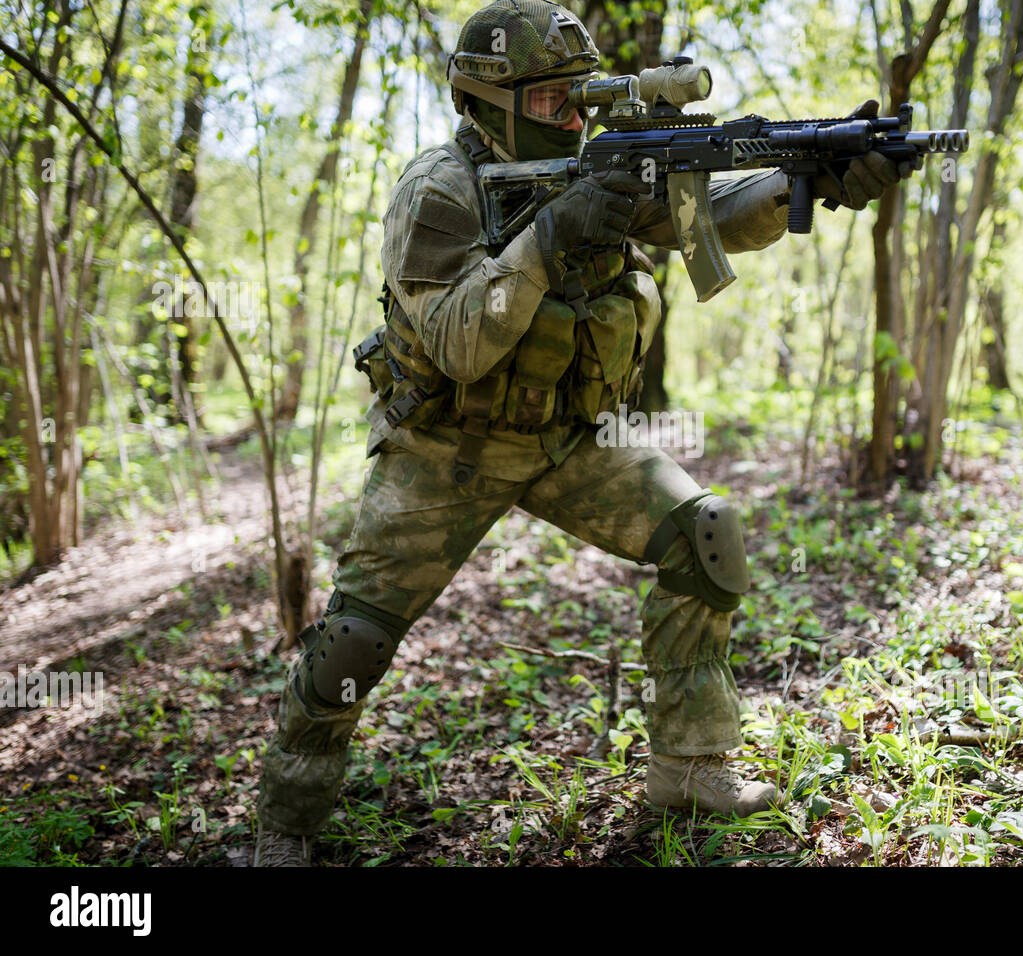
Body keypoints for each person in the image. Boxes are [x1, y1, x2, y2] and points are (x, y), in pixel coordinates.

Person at [253, 0, 912, 867]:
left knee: (702, 534)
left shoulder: (597, 161)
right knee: (356, 640)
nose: (574, 115)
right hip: (445, 451)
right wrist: (553, 235)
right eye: (550, 101)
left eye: (582, 96)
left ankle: (689, 763)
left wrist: (814, 176)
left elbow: (709, 213)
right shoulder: (438, 190)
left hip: (568, 436)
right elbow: (456, 343)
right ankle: (286, 821)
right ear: (486, 104)